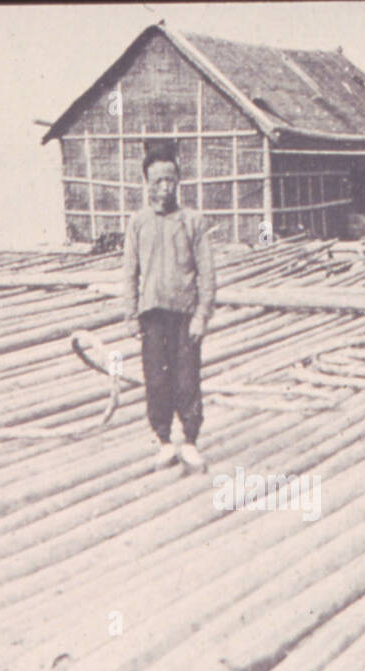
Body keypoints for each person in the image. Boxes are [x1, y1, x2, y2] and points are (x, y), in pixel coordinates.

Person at [122, 141, 216, 471]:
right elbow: (129, 272)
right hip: (152, 317)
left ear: (178, 182)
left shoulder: (193, 222)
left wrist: (202, 316)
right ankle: (163, 441)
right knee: (157, 380)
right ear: (147, 184)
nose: (165, 187)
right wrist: (131, 315)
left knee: (187, 379)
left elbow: (207, 273)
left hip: (185, 315)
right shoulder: (137, 223)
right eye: (158, 181)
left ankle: (189, 441)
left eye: (170, 180)